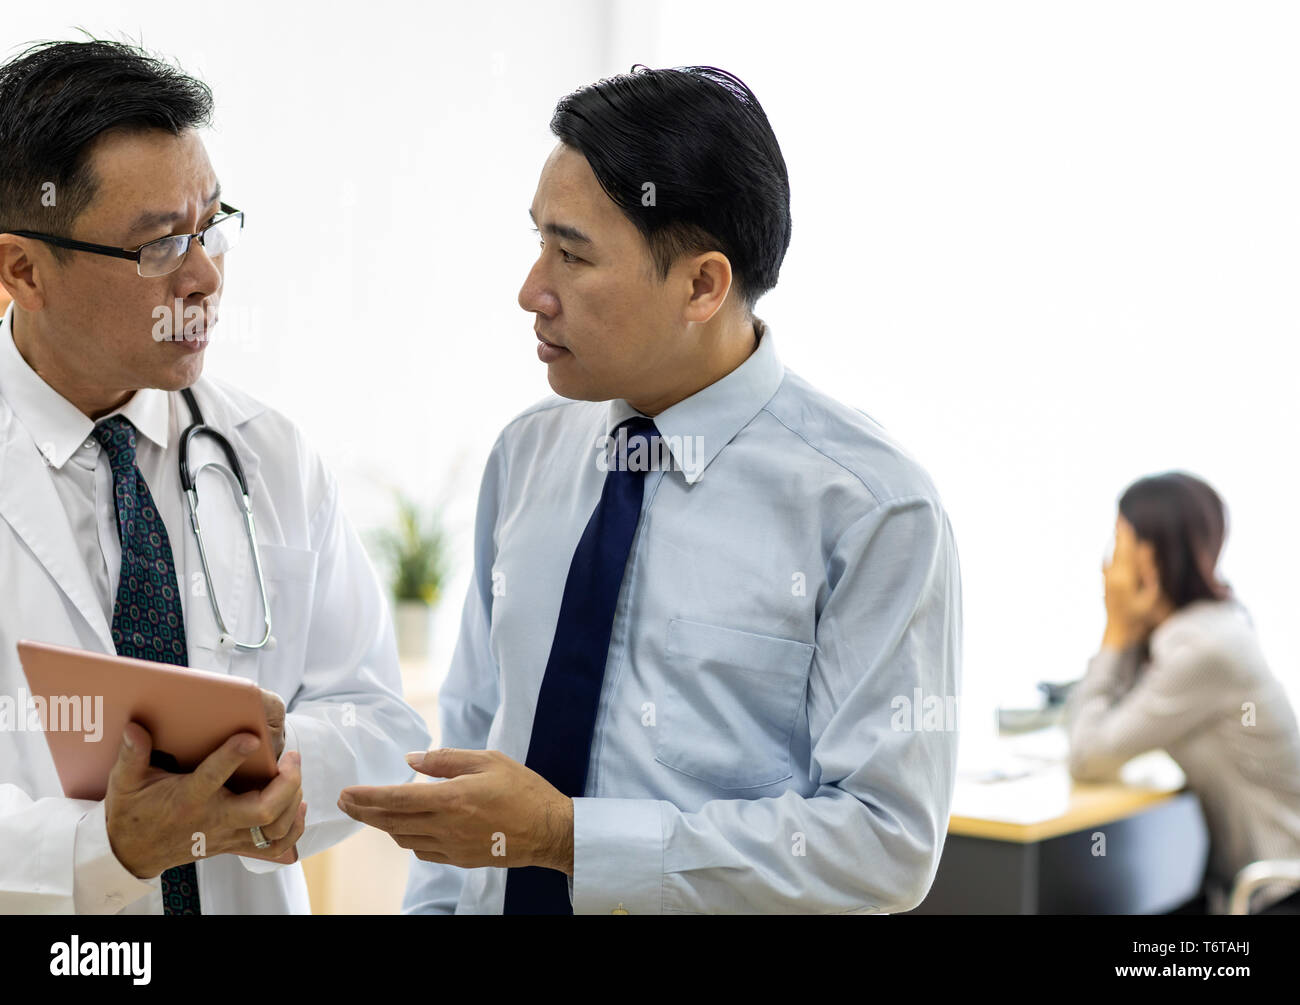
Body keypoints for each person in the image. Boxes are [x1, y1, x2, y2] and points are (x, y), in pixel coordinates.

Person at [340, 65, 962, 914]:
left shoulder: (869, 509)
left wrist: (568, 838)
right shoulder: (528, 454)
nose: (532, 292)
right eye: (537, 243)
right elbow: (473, 736)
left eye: (572, 253)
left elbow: (884, 844)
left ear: (703, 285)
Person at [0, 39, 430, 914]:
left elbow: (385, 727)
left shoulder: (269, 455)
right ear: (23, 270)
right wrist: (105, 848)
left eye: (211, 227)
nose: (204, 277)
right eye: (159, 246)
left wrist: (275, 760)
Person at [1066, 471, 1300, 914]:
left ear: (1147, 558)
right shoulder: (1207, 629)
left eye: (1117, 543)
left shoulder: (1203, 648)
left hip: (1277, 893)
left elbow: (1087, 753)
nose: (1105, 566)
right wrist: (1132, 633)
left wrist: (1115, 631)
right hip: (1242, 885)